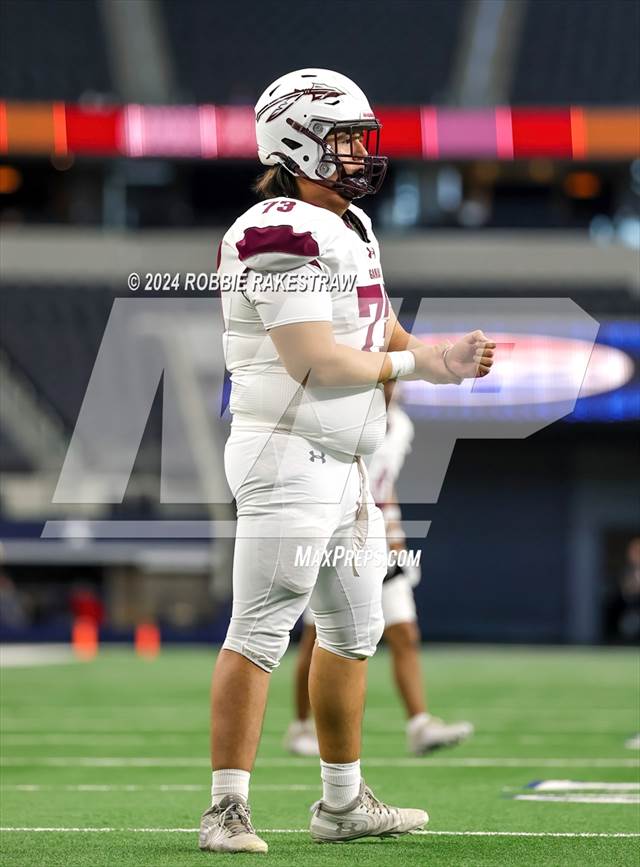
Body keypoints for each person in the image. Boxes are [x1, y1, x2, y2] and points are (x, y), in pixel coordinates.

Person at [199, 68, 495, 854]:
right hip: (286, 451)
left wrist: (441, 357)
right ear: (294, 143)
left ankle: (341, 803)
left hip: (346, 461)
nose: (362, 154)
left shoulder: (353, 227)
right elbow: (316, 362)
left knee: (354, 630)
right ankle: (226, 808)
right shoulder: (274, 229)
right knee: (260, 628)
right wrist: (408, 368)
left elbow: (383, 335)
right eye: (345, 140)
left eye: (364, 139)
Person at [285, 382, 474, 758]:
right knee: (318, 636)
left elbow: (385, 488)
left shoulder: (401, 425)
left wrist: (395, 535)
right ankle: (302, 726)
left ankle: (419, 723)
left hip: (380, 537)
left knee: (404, 632)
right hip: (337, 534)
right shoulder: (342, 421)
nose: (391, 388)